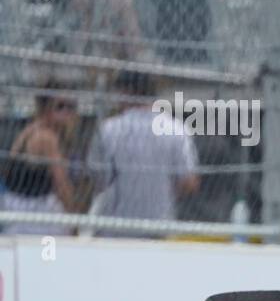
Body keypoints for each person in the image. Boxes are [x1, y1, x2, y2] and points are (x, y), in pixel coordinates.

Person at [87, 72, 199, 232]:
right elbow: (189, 182)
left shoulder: (109, 129)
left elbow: (98, 179)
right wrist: (161, 191)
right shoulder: (175, 128)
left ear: (125, 92)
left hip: (116, 225)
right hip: (159, 222)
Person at [1, 87, 79, 234]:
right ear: (45, 109)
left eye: (71, 106)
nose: (67, 112)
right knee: (50, 253)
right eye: (60, 107)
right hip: (32, 209)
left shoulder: (31, 129)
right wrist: (74, 218)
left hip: (17, 205)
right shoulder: (46, 137)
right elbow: (61, 183)